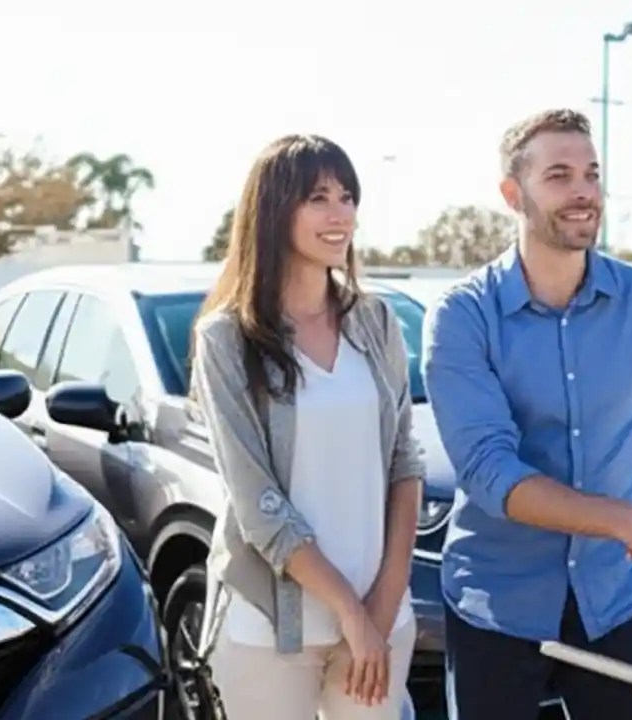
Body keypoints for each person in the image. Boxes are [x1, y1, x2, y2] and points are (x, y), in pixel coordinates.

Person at [420, 108, 632, 720]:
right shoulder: (462, 316)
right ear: (513, 194)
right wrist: (630, 523)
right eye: (560, 175)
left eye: (591, 174)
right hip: (498, 601)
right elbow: (490, 473)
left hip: (615, 600)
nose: (583, 192)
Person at [187, 133, 425, 719]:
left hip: (378, 618)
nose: (340, 213)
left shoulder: (375, 321)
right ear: (273, 213)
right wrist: (348, 609)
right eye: (319, 197)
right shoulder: (226, 339)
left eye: (347, 196)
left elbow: (404, 460)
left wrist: (381, 609)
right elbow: (257, 504)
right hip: (270, 629)